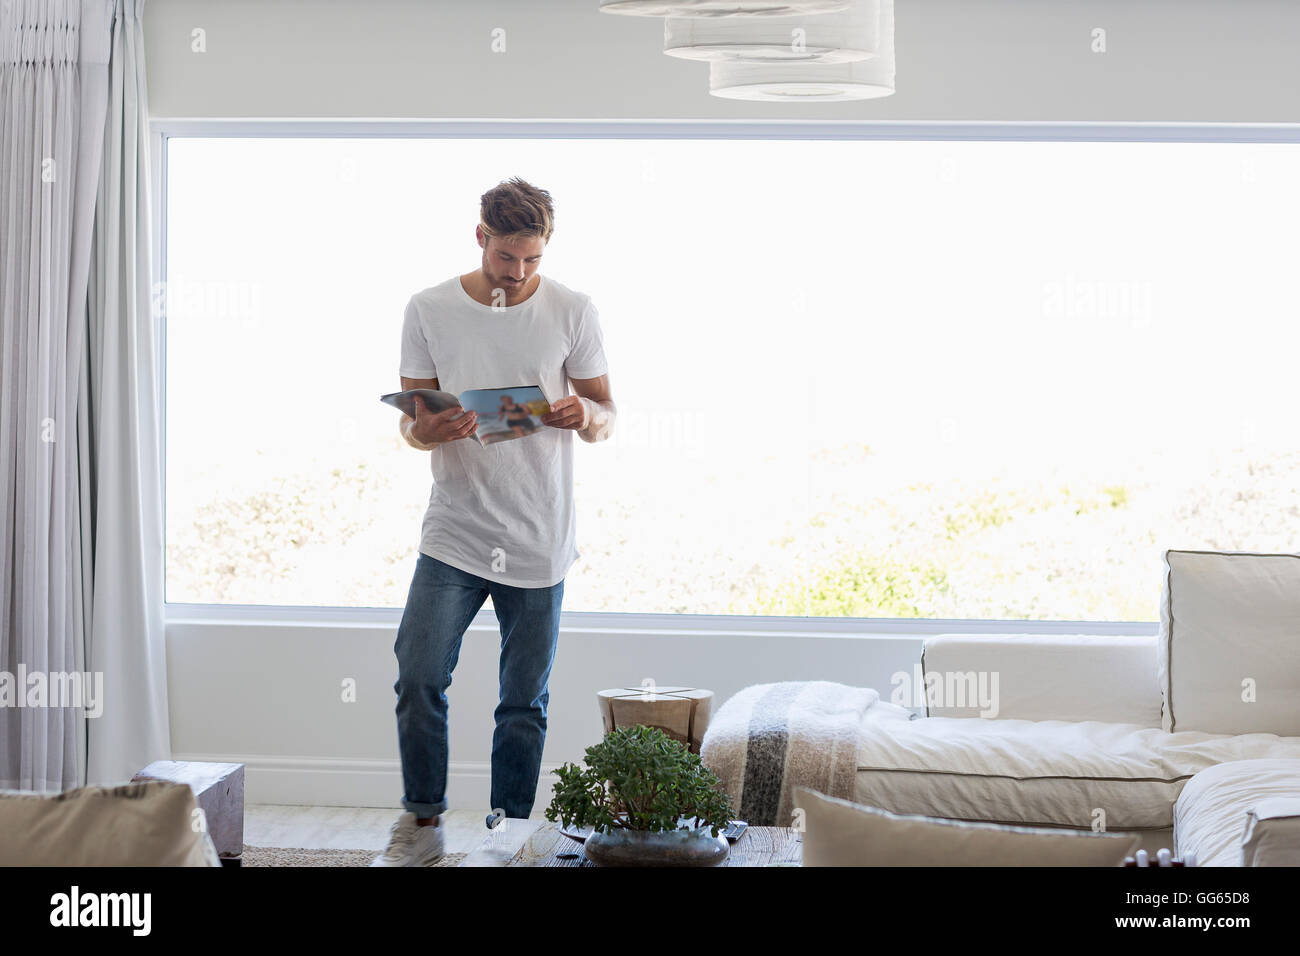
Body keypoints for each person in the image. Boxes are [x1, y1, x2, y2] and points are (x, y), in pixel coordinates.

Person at [371, 177, 616, 866]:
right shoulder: (428, 308)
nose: (519, 272)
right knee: (417, 673)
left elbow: (608, 413)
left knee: (523, 702)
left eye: (533, 260)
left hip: (540, 535)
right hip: (454, 530)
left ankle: (506, 834)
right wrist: (434, 429)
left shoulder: (573, 308)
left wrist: (584, 415)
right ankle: (422, 819)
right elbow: (413, 429)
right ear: (481, 237)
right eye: (508, 257)